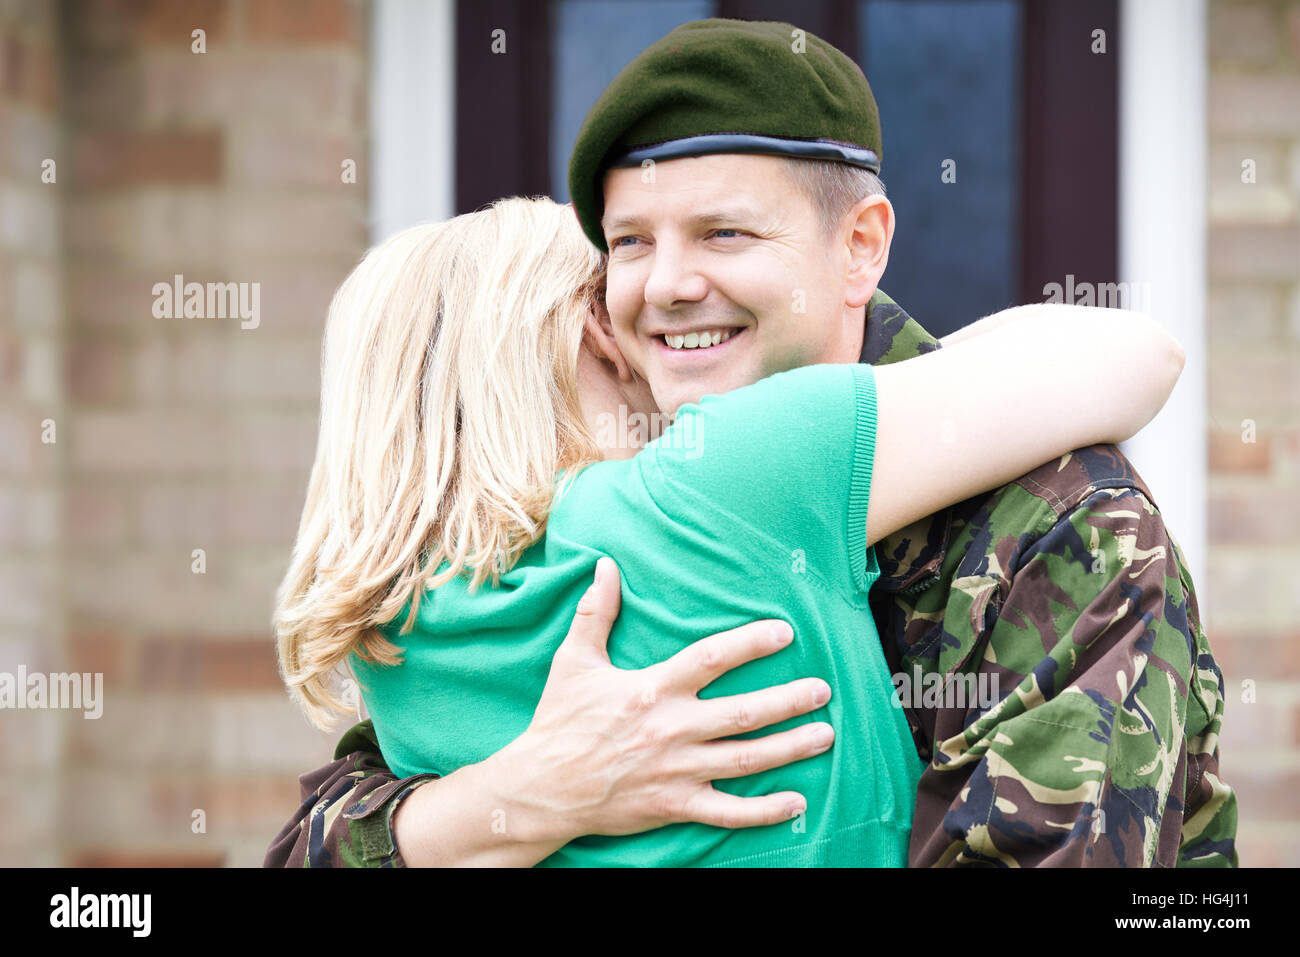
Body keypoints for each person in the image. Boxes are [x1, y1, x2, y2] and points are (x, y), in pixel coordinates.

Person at [266, 18, 1237, 868]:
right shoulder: (577, 535)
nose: (666, 286)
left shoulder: (1063, 523)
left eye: (723, 234)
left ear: (860, 246)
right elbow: (325, 833)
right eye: (630, 244)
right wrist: (529, 792)